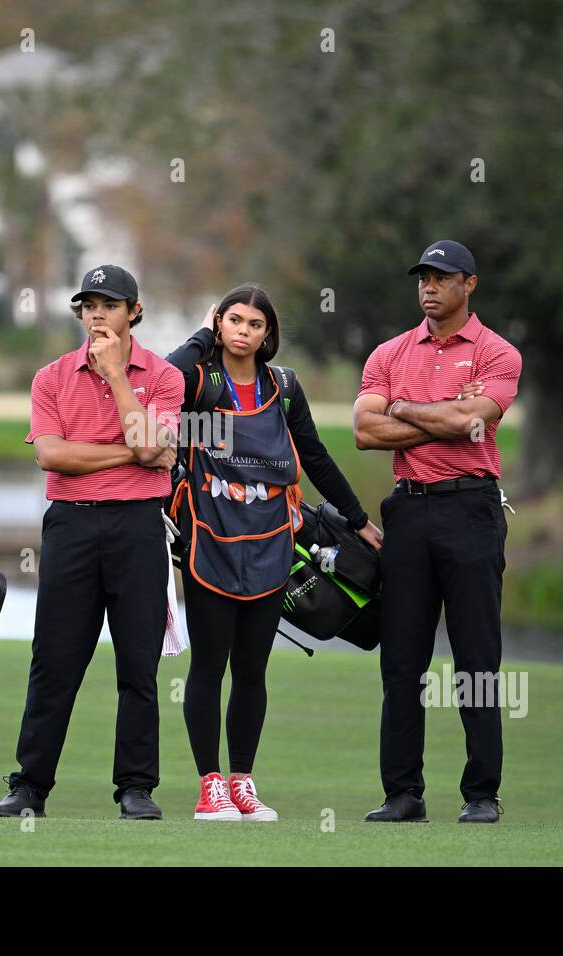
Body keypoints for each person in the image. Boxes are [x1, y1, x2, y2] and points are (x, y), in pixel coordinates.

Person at [167, 284, 383, 822]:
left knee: (253, 670)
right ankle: (209, 786)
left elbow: (316, 457)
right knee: (209, 667)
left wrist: (358, 520)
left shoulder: (283, 387)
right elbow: (167, 377)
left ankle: (242, 782)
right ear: (219, 324)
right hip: (209, 543)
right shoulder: (200, 381)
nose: (243, 331)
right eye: (233, 320)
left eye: (254, 324)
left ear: (269, 334)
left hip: (271, 545)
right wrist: (201, 331)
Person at [0, 264, 183, 821]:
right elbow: (53, 455)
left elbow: (155, 446)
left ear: (134, 311)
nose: (97, 314)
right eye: (89, 305)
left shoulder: (165, 378)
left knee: (138, 664)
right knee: (54, 660)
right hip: (72, 526)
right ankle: (30, 786)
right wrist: (137, 451)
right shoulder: (51, 377)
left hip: (139, 527)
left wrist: (119, 378)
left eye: (110, 305)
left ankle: (136, 788)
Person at [352, 240, 522, 824]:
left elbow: (474, 422)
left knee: (477, 660)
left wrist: (403, 410)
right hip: (409, 511)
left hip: (471, 509)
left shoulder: (498, 353)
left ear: (468, 284)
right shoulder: (390, 353)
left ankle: (481, 795)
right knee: (401, 661)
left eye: (442, 277)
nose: (428, 286)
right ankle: (403, 793)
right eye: (422, 277)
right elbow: (364, 432)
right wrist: (445, 414)